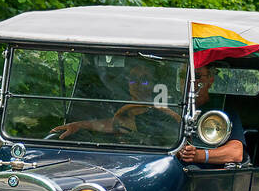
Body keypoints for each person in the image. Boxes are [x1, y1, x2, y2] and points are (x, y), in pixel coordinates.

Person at [47, 60, 180, 143]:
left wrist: (161, 109)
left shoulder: (165, 112)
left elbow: (175, 128)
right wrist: (77, 125)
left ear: (154, 84)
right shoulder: (122, 110)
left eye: (144, 80)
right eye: (133, 79)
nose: (138, 84)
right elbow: (107, 124)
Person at [176, 65, 245, 165]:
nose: (189, 81)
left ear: (210, 80)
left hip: (205, 174)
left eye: (197, 76)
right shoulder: (172, 106)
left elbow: (236, 153)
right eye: (183, 75)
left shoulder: (224, 110)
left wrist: (199, 155)